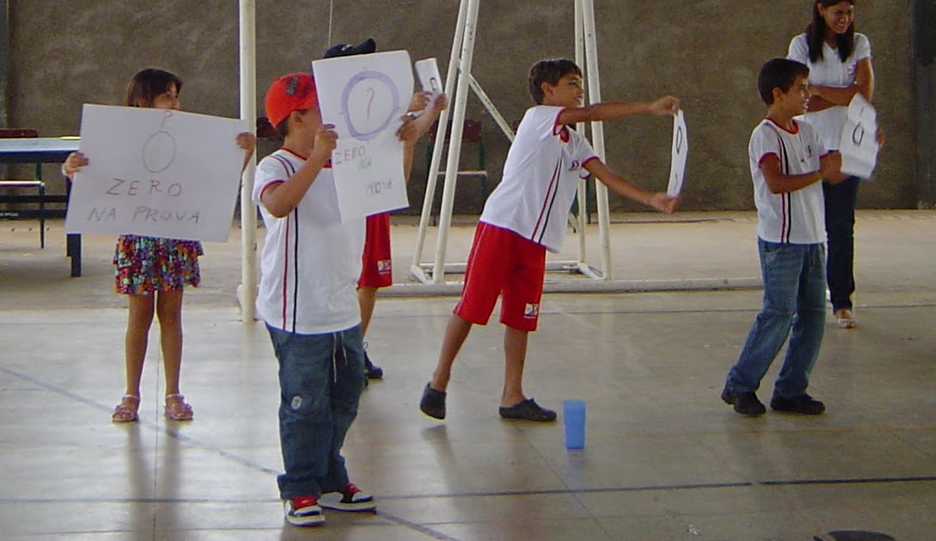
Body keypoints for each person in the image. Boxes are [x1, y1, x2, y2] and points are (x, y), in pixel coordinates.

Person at [419, 58, 680, 425]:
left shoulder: (574, 142)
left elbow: (605, 174)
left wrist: (651, 199)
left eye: (580, 84)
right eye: (572, 83)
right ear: (548, 90)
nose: (579, 91)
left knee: (521, 316)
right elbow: (591, 113)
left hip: (536, 239)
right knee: (473, 306)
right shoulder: (538, 118)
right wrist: (647, 107)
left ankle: (513, 394)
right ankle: (438, 381)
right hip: (503, 226)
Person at [61, 68, 255, 424]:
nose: (176, 103)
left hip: (176, 236)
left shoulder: (189, 139)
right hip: (138, 239)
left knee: (171, 314)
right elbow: (94, 174)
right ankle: (131, 393)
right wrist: (71, 168)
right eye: (167, 95)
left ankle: (173, 392)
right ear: (143, 100)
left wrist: (243, 155)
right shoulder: (118, 137)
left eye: (176, 96)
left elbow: (215, 178)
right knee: (138, 316)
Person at [255, 71, 379, 527]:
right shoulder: (276, 166)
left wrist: (404, 141)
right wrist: (319, 158)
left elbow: (387, 183)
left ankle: (330, 475)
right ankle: (301, 485)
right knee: (305, 399)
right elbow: (278, 204)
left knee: (346, 394)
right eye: (320, 110)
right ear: (297, 117)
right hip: (296, 308)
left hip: (340, 304)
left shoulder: (345, 161)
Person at [720, 58, 844, 417]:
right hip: (782, 240)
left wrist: (860, 153)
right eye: (801, 88)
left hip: (812, 238)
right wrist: (821, 171)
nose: (808, 95)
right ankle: (740, 383)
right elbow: (777, 183)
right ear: (778, 93)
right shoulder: (765, 135)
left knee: (812, 316)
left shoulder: (808, 131)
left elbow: (832, 175)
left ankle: (791, 388)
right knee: (778, 312)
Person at [322, 38, 447, 385]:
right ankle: (337, 352)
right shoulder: (331, 109)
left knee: (370, 281)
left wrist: (430, 111)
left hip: (373, 199)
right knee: (342, 279)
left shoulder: (384, 102)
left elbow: (404, 136)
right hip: (342, 201)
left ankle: (354, 348)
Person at [786, 0, 873, 328]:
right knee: (806, 225)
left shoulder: (860, 44)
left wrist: (821, 91)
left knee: (840, 225)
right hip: (809, 146)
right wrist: (839, 93)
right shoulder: (801, 45)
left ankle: (841, 299)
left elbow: (863, 94)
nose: (845, 19)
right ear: (822, 10)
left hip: (846, 144)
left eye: (850, 13)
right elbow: (801, 98)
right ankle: (802, 297)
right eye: (838, 13)